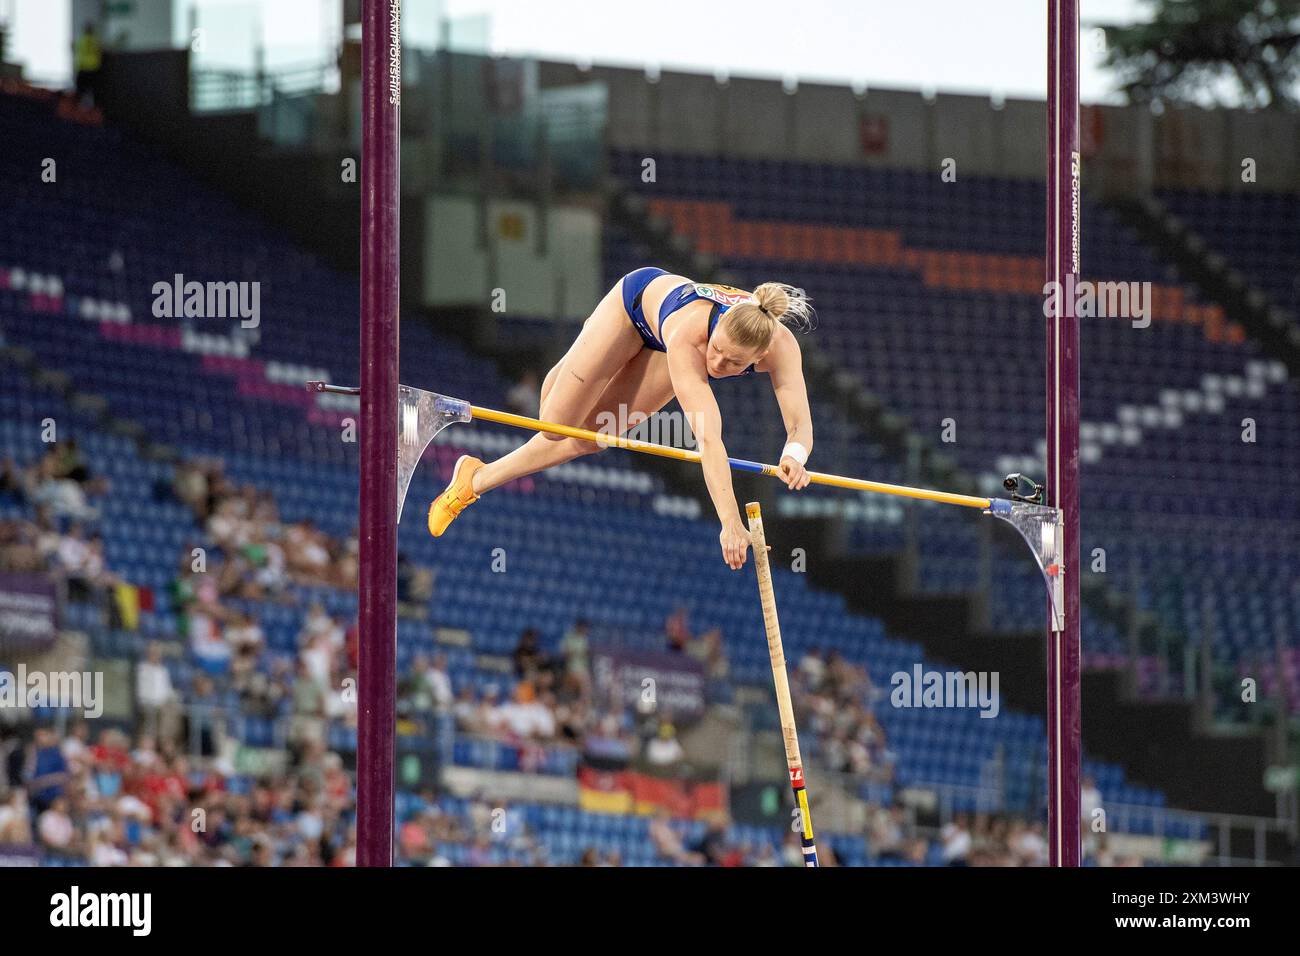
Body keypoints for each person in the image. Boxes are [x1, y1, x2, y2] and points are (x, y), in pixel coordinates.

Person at [428, 271, 816, 569]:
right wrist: (730, 522)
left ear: (760, 356)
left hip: (665, 343)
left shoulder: (781, 348)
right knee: (554, 421)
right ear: (714, 333)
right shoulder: (690, 337)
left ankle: (474, 480)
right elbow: (709, 441)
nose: (717, 365)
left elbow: (799, 427)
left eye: (734, 364)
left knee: (588, 438)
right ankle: (578, 365)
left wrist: (794, 456)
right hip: (636, 307)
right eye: (717, 351)